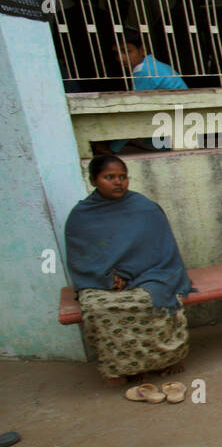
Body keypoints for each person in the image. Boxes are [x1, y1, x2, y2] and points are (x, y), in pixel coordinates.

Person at [64, 156, 192, 385]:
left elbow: (160, 251)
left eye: (122, 177)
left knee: (152, 299)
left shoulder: (144, 208)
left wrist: (127, 274)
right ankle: (127, 366)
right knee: (98, 308)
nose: (118, 182)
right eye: (109, 177)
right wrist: (107, 277)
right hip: (99, 279)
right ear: (93, 180)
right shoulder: (81, 215)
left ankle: (166, 359)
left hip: (151, 273)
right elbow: (80, 258)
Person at [115, 28, 186, 91]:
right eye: (116, 52)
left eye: (127, 51)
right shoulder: (153, 64)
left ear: (143, 50)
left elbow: (136, 101)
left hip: (178, 105)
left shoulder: (143, 70)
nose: (120, 58)